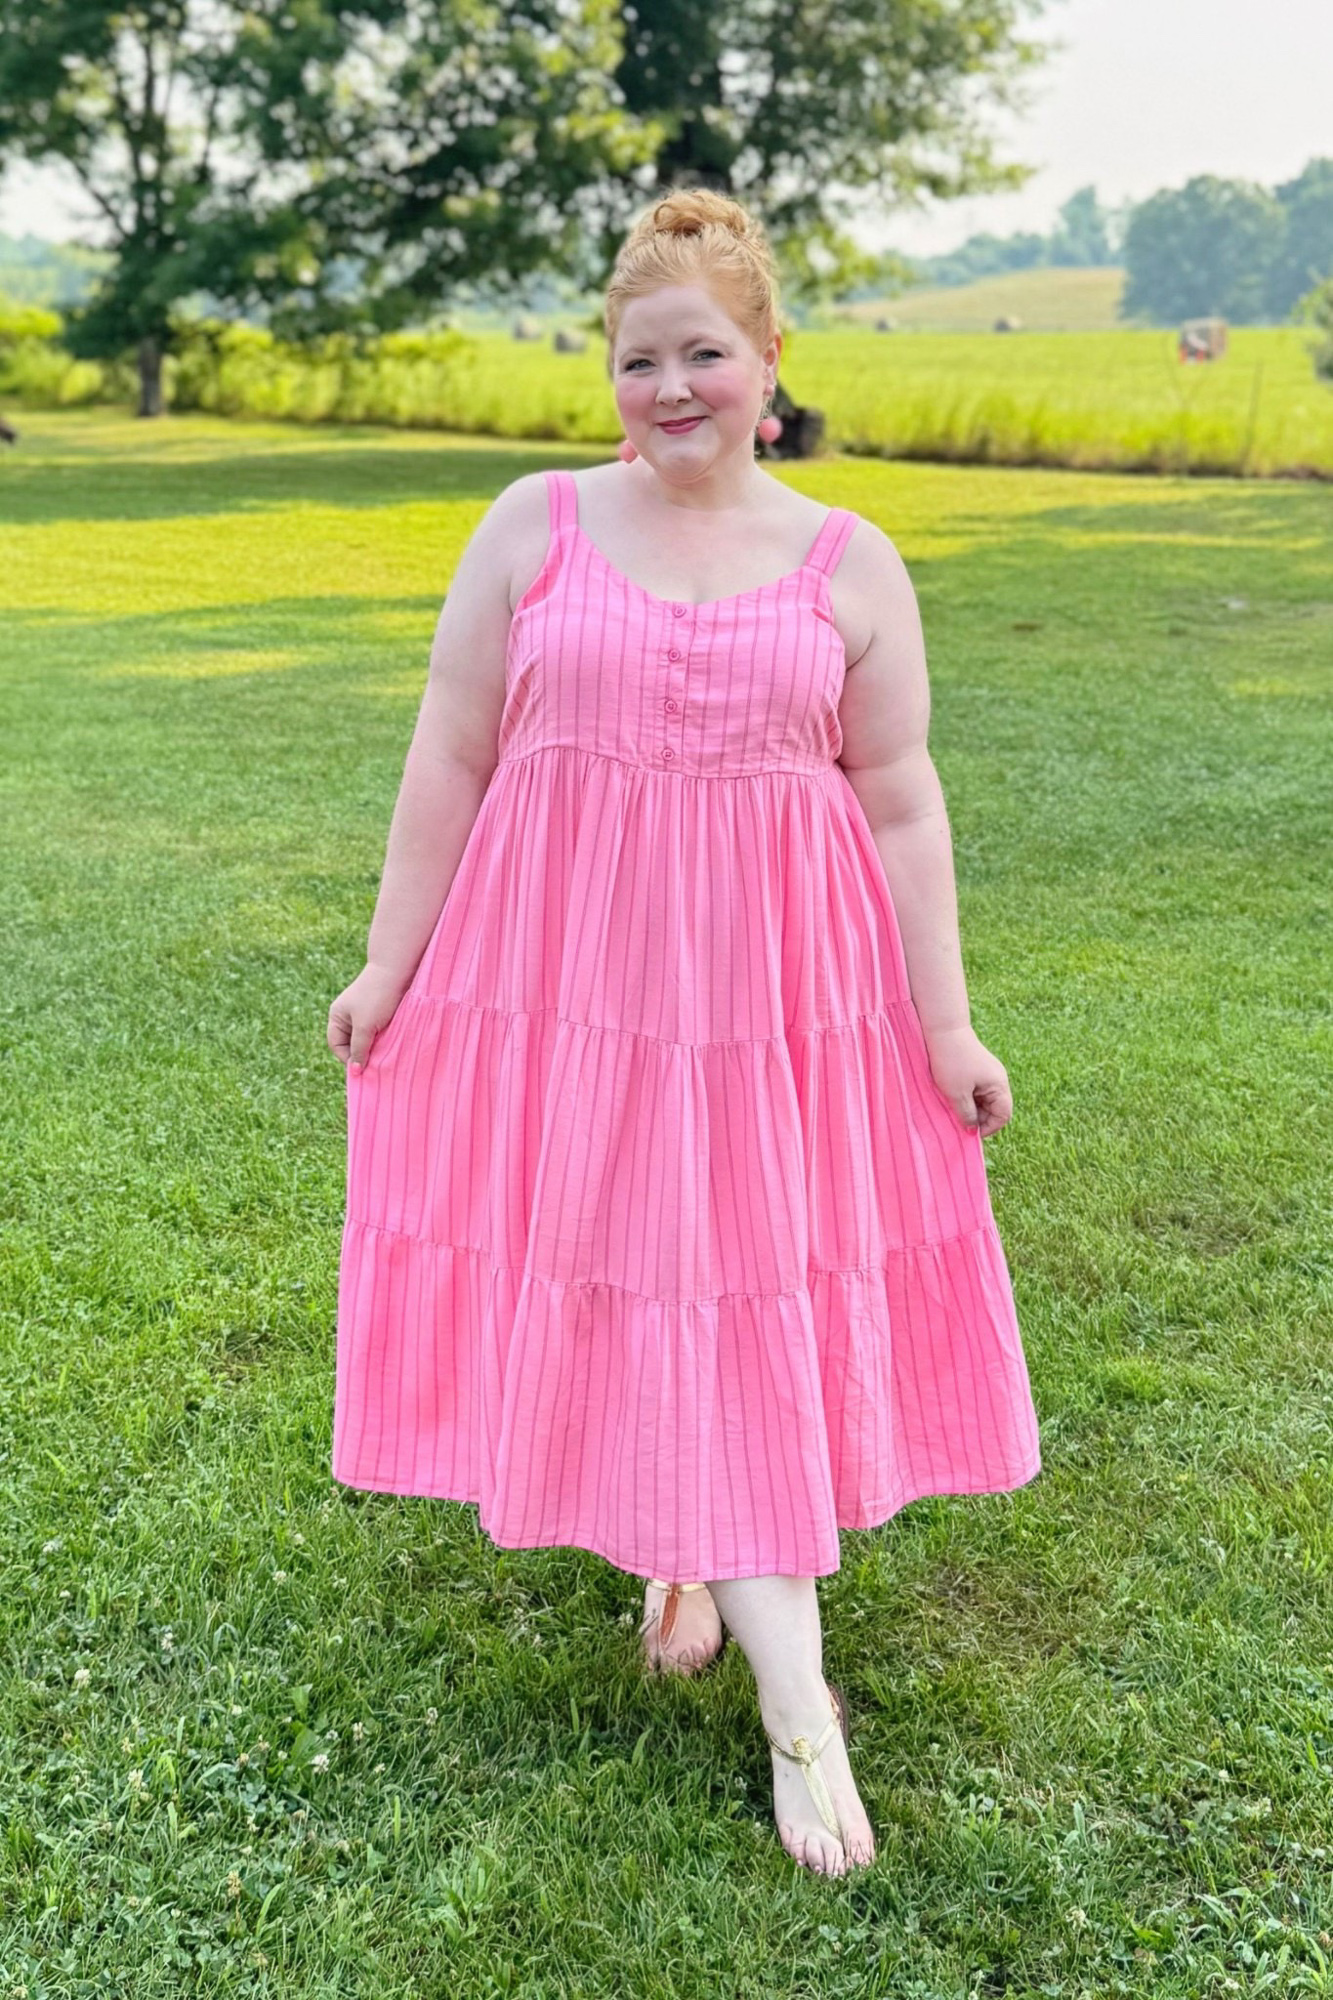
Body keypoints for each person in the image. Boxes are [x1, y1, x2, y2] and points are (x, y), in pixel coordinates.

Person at [327, 187, 1042, 1878]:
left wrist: (943, 1025)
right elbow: (450, 753)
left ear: (768, 359)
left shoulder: (847, 560)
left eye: (702, 353)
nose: (669, 389)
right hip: (571, 999)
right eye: (637, 360)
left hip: (770, 1017)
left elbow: (900, 801)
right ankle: (678, 1543)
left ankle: (800, 1716)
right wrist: (389, 963)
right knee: (634, 1272)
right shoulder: (532, 527)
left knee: (728, 1291)